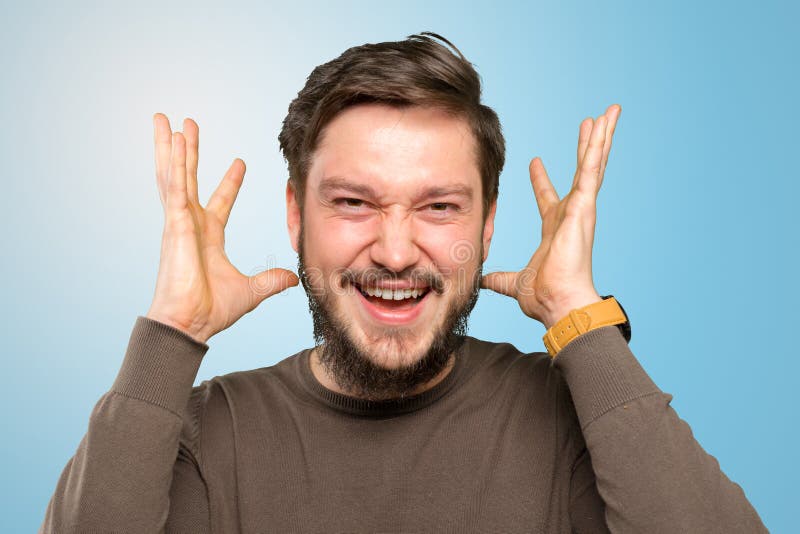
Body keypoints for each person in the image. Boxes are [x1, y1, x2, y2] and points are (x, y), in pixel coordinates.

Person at [40, 32, 766, 533]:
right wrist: (171, 334)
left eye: (438, 207)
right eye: (354, 203)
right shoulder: (208, 432)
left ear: (485, 229)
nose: (394, 251)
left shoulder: (568, 420)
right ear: (296, 216)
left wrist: (580, 318)